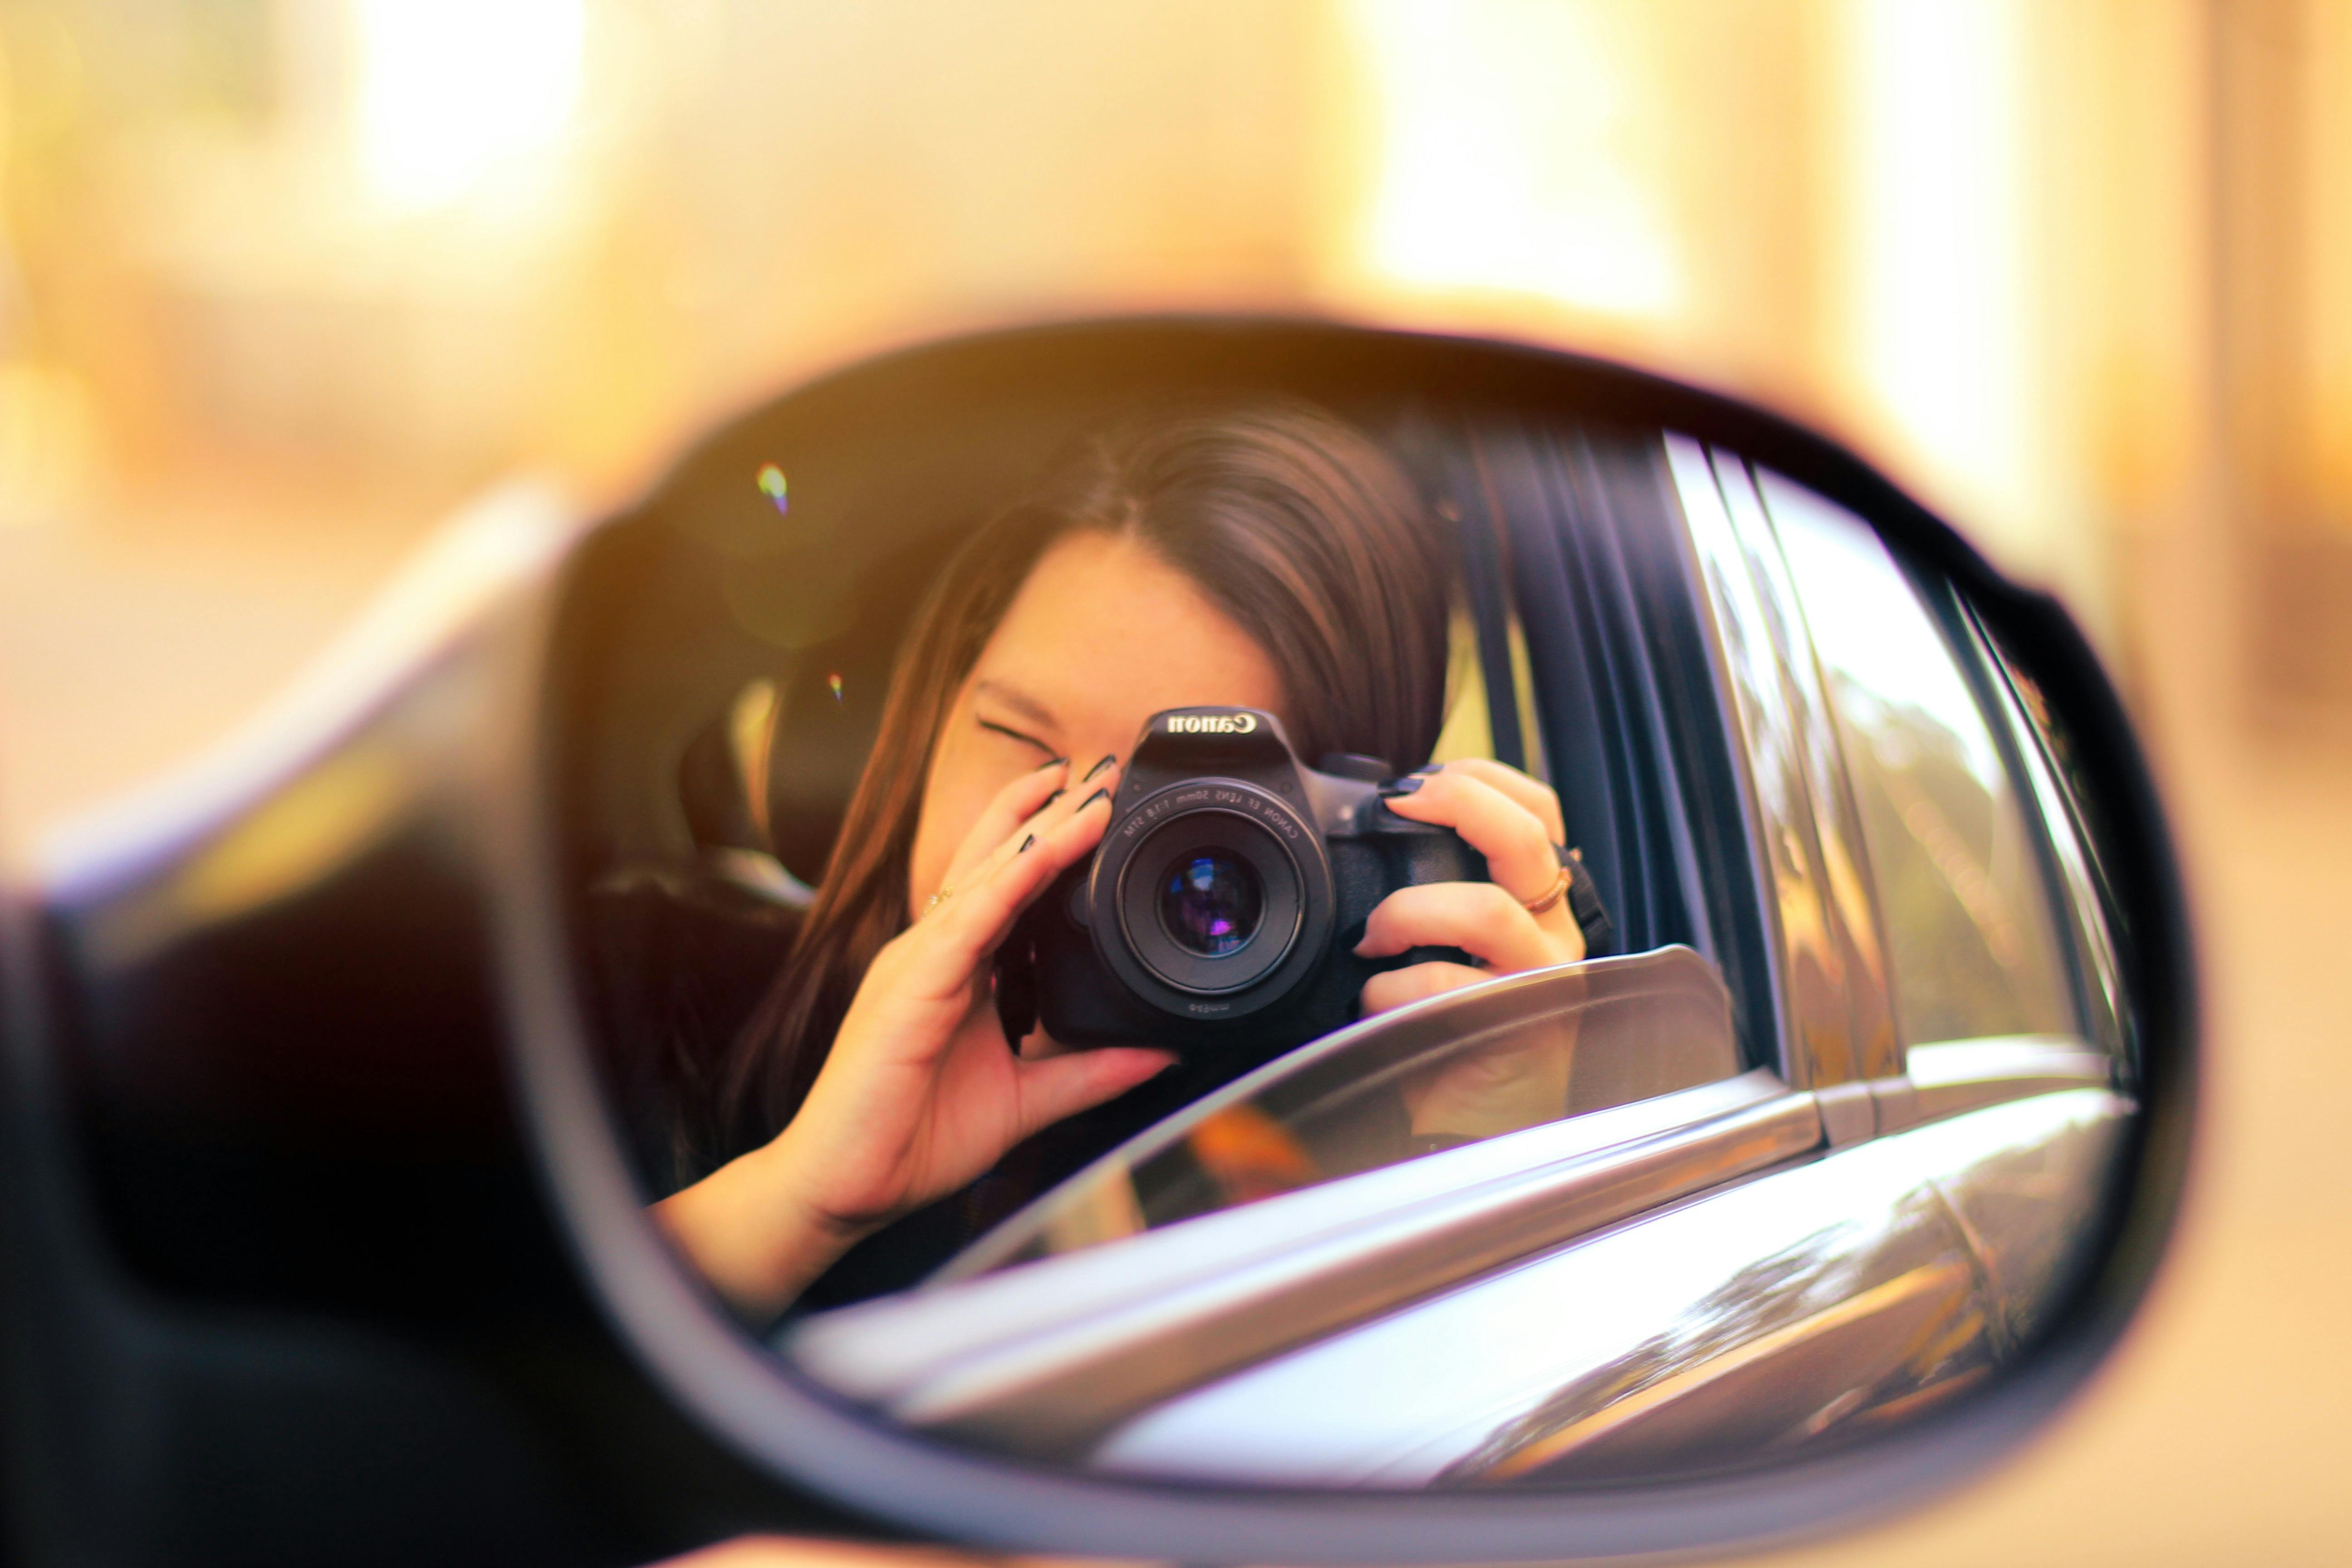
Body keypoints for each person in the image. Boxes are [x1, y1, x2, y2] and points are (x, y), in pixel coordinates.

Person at [654, 402, 1590, 1323]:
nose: (1083, 839)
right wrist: (801, 1196)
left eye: (1195, 816)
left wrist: (1479, 1146)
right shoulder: (641, 1007)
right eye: (1024, 740)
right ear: (925, 728)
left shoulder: (1346, 1140)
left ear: (1347, 863)